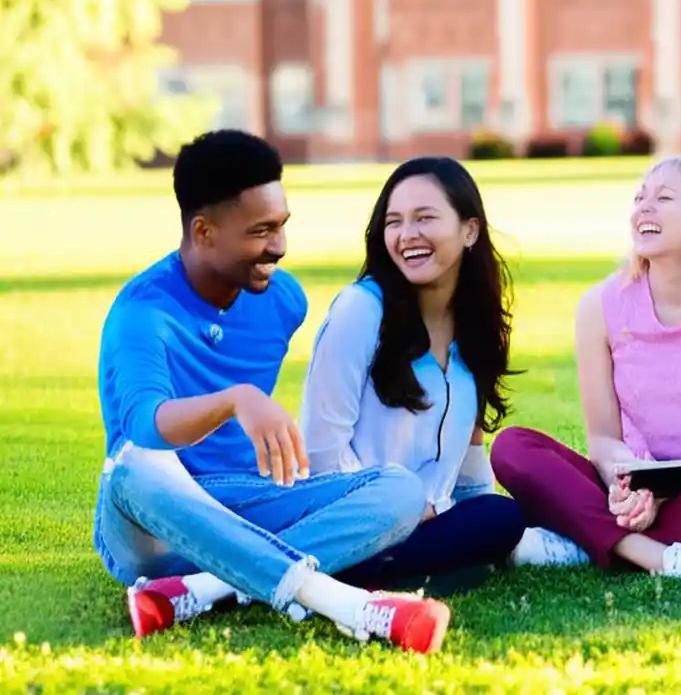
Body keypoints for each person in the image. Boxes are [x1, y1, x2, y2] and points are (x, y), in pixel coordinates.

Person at [93, 130, 449, 653]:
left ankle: (200, 590)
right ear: (204, 231)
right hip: (155, 524)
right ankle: (345, 604)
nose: (279, 247)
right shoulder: (142, 313)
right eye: (261, 232)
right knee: (134, 463)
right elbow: (148, 425)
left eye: (282, 226)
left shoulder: (283, 301)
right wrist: (237, 399)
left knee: (400, 490)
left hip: (246, 505)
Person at [490, 156, 681, 582]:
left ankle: (580, 541)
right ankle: (656, 557)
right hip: (625, 487)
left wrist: (661, 496)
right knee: (513, 447)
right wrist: (626, 488)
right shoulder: (599, 306)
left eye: (663, 198)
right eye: (639, 198)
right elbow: (604, 440)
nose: (643, 208)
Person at [300, 157, 526, 591]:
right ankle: (358, 570)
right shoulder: (361, 310)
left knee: (501, 517)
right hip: (348, 516)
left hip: (425, 527)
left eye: (425, 219)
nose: (407, 236)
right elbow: (321, 451)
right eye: (394, 222)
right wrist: (398, 506)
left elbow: (470, 459)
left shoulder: (477, 327)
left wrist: (481, 525)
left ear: (469, 230)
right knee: (485, 532)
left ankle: (377, 573)